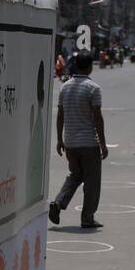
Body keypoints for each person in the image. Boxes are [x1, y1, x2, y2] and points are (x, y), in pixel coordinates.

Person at [49, 51, 107, 229]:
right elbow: (97, 118)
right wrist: (103, 144)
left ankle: (58, 202)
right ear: (90, 67)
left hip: (70, 142)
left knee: (75, 175)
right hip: (88, 143)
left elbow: (60, 115)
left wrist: (59, 139)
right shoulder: (93, 88)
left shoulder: (64, 87)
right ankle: (87, 218)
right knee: (92, 181)